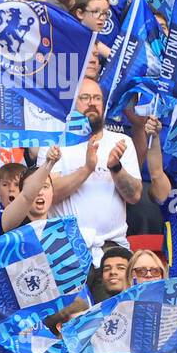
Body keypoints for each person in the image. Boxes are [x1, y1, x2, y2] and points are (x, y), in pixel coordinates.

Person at [50, 79, 142, 260]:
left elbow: (134, 196)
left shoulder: (122, 142)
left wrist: (116, 168)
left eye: (97, 98)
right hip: (67, 248)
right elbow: (49, 193)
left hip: (112, 249)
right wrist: (87, 169)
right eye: (84, 97)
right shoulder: (54, 141)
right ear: (71, 103)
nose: (92, 102)